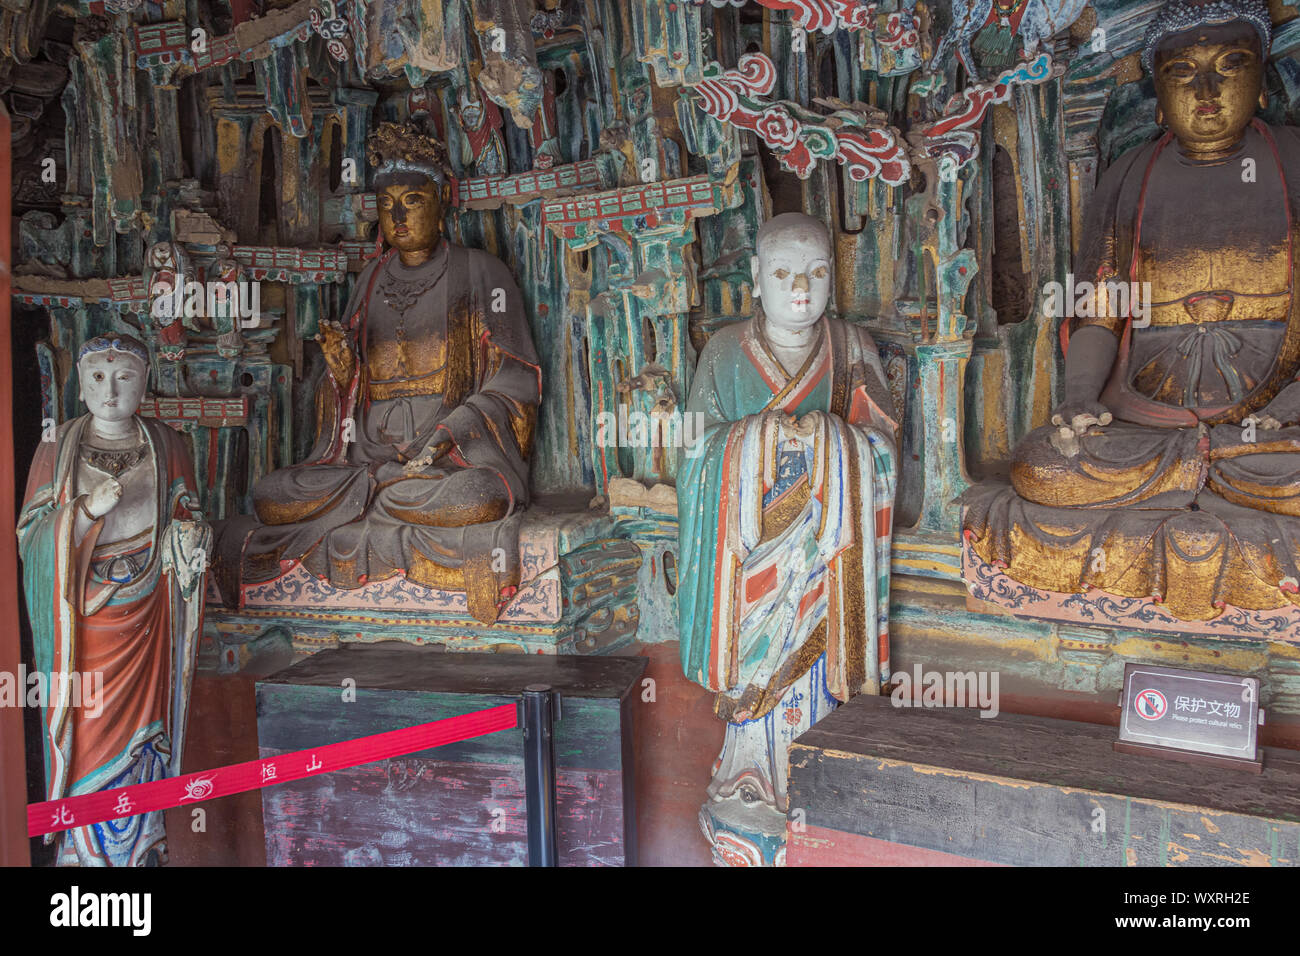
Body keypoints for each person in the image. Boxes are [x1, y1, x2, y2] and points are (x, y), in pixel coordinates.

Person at [216, 123, 541, 625]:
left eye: (412, 199)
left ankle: (378, 494)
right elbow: (343, 397)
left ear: (443, 200)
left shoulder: (482, 272)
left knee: (478, 497)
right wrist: (344, 376)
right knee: (270, 494)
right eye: (386, 203)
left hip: (445, 462)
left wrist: (445, 435)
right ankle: (375, 491)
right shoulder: (369, 281)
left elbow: (515, 382)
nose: (398, 215)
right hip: (365, 460)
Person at [677, 212, 898, 865]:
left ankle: (818, 769)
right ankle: (747, 776)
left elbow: (885, 454)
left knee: (818, 688)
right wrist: (759, 441)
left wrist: (833, 443)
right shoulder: (722, 353)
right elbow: (692, 456)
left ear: (835, 275)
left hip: (827, 562)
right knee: (754, 686)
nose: (801, 289)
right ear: (755, 279)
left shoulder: (854, 348)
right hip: (748, 561)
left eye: (816, 273)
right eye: (783, 274)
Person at [18, 333, 210, 866]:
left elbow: (185, 510)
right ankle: (83, 857)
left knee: (145, 741)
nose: (110, 390)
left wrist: (189, 538)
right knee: (85, 735)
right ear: (80, 384)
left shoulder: (169, 444)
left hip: (150, 610)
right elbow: (31, 535)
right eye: (98, 378)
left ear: (144, 383)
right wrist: (82, 511)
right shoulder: (58, 446)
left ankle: (144, 846)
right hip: (84, 623)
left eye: (124, 377)